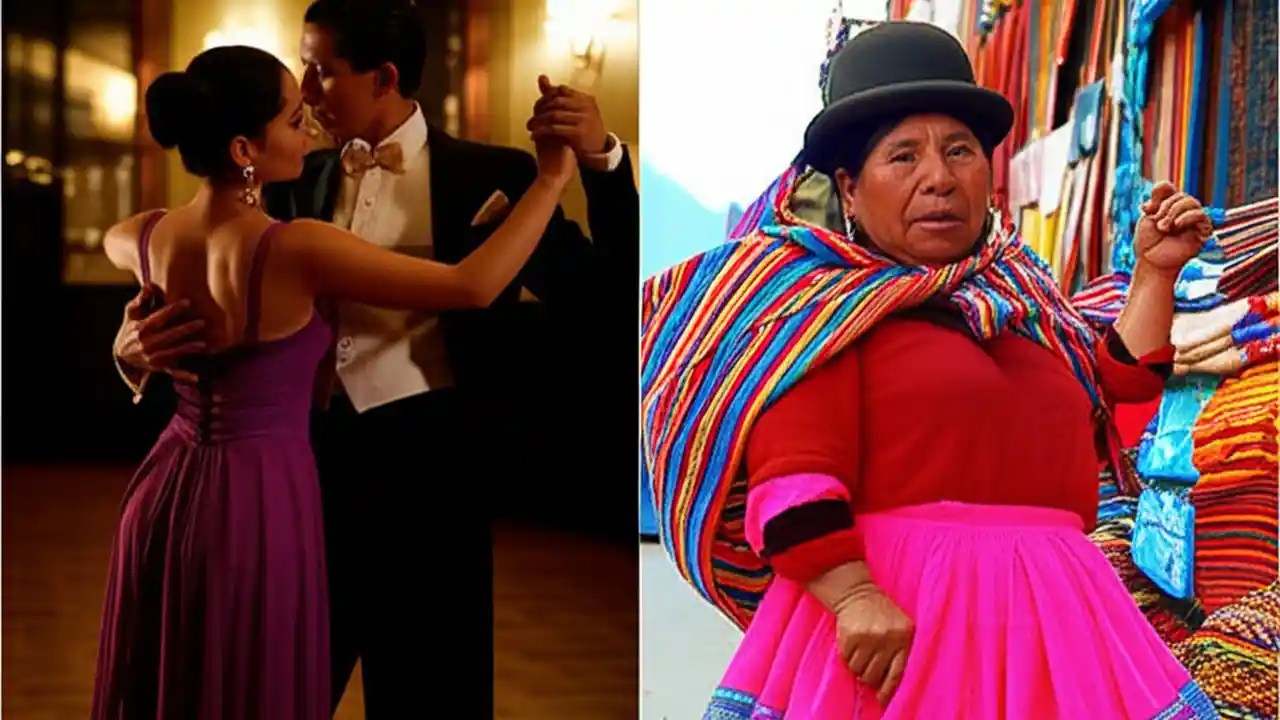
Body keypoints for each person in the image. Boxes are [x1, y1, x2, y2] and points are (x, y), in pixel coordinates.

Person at [640, 22, 1220, 719]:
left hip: (1057, 623)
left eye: (959, 152)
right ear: (850, 191)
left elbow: (1114, 387)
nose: (938, 178)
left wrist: (1155, 273)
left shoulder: (1019, 299)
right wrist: (853, 594)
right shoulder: (822, 313)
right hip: (901, 631)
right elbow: (789, 482)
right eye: (903, 157)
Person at [111, 0, 639, 714]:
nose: (309, 88)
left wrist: (602, 163)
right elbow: (195, 269)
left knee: (430, 699)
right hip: (296, 474)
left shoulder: (493, 176)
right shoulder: (286, 174)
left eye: (323, 71)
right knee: (277, 688)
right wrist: (131, 339)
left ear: (383, 76)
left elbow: (607, 292)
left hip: (435, 476)